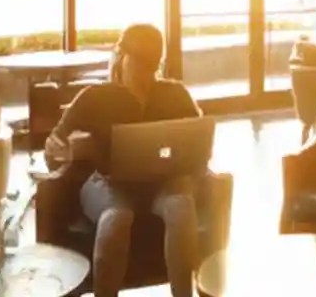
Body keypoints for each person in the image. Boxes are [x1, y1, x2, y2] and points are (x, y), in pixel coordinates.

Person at [45, 24, 204, 297]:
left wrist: (179, 157)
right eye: (140, 62)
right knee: (116, 219)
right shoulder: (95, 97)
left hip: (163, 184)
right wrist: (61, 149)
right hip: (108, 183)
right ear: (121, 57)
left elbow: (197, 144)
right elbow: (53, 145)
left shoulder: (175, 94)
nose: (146, 71)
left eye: (152, 64)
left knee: (181, 207)